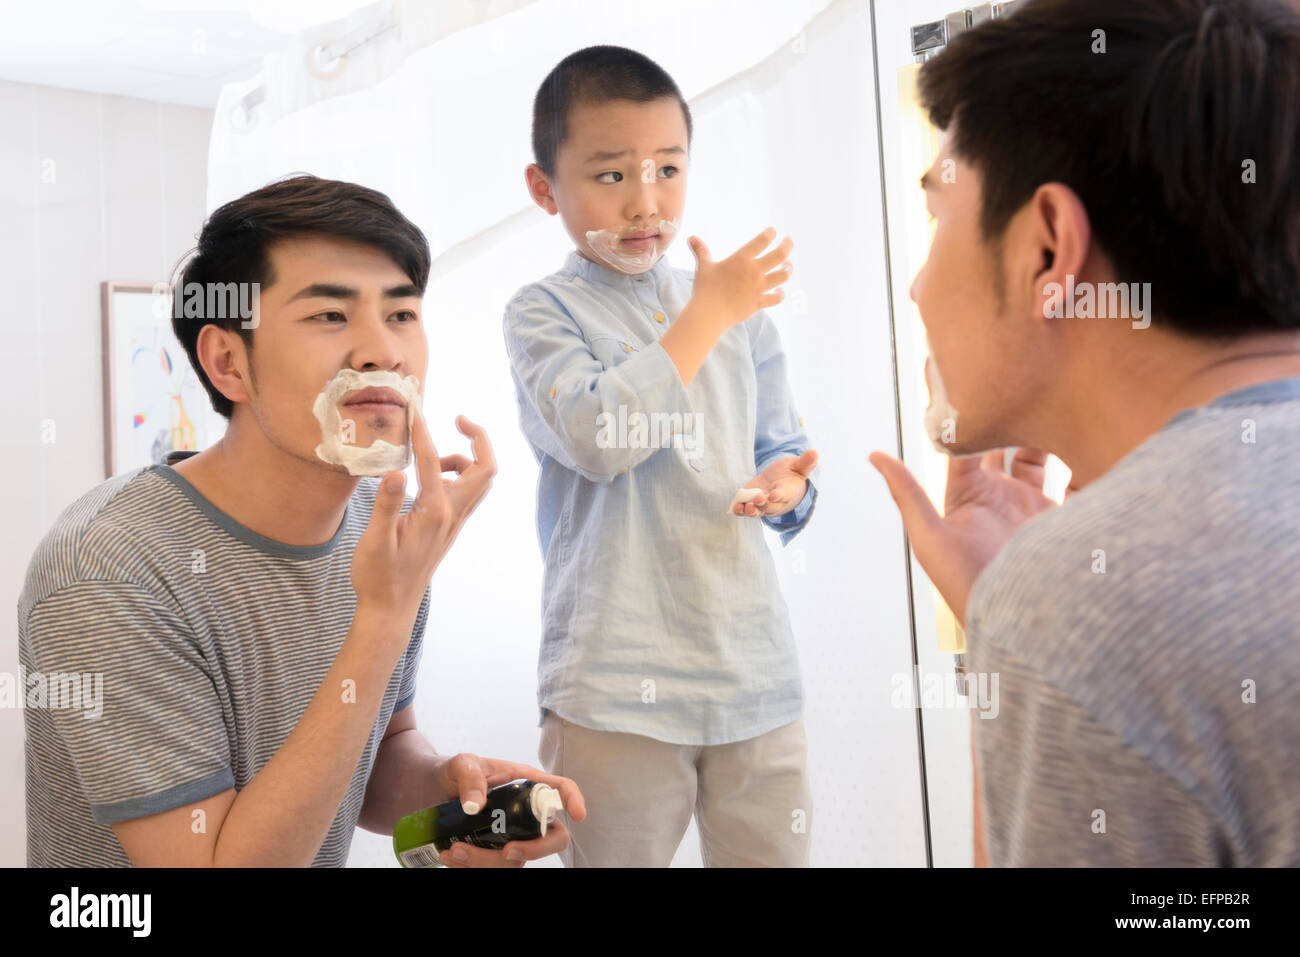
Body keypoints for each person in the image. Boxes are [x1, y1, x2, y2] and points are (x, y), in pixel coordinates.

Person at [19, 174, 584, 867]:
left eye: (401, 314)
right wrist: (385, 611)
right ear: (228, 363)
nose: (385, 351)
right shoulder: (107, 570)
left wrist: (442, 800)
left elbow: (373, 762)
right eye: (330, 316)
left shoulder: (381, 534)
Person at [870, 0, 1300, 865]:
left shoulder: (1075, 600)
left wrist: (1035, 624)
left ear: (1046, 248)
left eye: (937, 217)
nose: (917, 288)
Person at [504, 45, 819, 866]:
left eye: (668, 169)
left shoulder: (735, 310)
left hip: (753, 672)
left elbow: (783, 448)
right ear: (545, 189)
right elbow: (600, 437)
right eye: (611, 176)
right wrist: (705, 317)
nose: (648, 203)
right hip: (614, 686)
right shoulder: (543, 312)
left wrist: (787, 486)